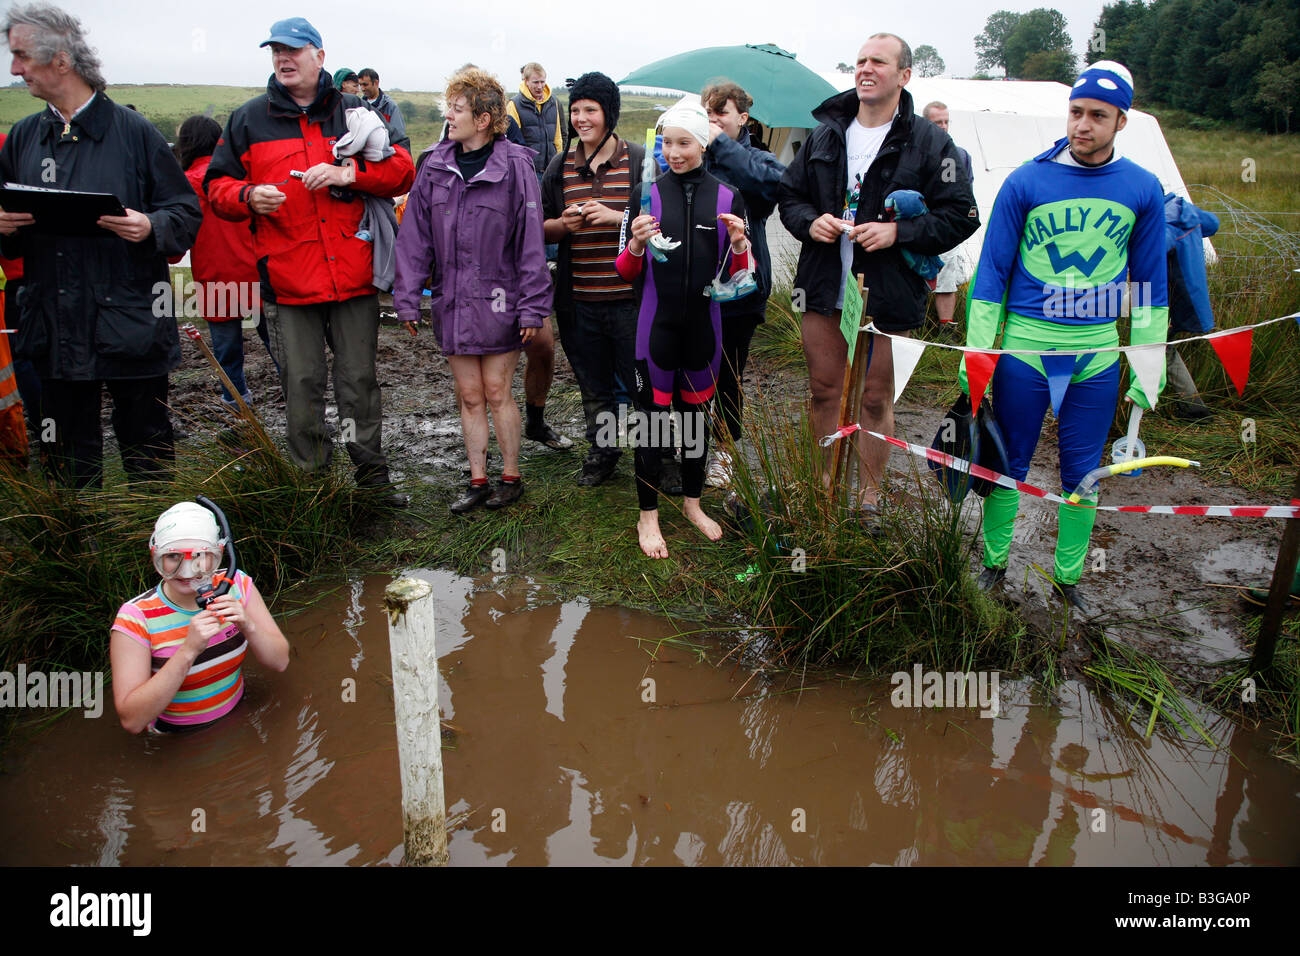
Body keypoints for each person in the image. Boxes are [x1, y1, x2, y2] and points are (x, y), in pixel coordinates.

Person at [963, 61, 1168, 616]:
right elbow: (991, 275)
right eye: (1076, 112)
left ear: (1121, 121)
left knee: (1085, 471)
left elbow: (1149, 286)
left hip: (1097, 354)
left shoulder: (1143, 189)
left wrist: (1150, 366)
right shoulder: (1026, 180)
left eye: (1098, 116)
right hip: (1025, 347)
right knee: (1009, 463)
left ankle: (1068, 580)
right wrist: (978, 353)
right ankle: (993, 566)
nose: (1083, 125)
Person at [206, 18, 414, 507]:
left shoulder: (354, 111)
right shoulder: (247, 119)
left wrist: (350, 171)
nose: (283, 58)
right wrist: (246, 194)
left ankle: (372, 481)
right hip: (287, 280)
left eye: (293, 50)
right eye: (276, 51)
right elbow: (215, 187)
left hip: (353, 276)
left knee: (358, 381)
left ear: (319, 56)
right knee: (301, 384)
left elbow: (402, 169)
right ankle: (312, 488)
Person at [0, 3, 201, 488]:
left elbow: (185, 212)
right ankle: (75, 555)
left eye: (22, 56)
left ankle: (157, 549)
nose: (14, 69)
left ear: (61, 60)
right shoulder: (24, 138)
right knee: (65, 456)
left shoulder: (135, 135)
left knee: (148, 448)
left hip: (130, 324)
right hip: (52, 324)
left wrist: (150, 226)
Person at [778, 34, 978, 520]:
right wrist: (811, 222)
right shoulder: (825, 133)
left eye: (879, 62)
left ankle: (868, 499)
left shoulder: (931, 142)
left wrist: (899, 232)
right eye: (861, 61)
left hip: (889, 292)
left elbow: (962, 215)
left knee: (873, 398)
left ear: (904, 75)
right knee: (824, 390)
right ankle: (822, 488)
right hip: (824, 283)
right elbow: (790, 198)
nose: (866, 69)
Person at [393, 66, 550, 513]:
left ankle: (511, 476)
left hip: (502, 300)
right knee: (470, 394)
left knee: (497, 389)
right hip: (454, 301)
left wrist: (532, 308)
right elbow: (414, 238)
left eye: (458, 109)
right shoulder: (434, 165)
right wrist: (406, 299)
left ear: (483, 118)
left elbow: (530, 240)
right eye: (450, 107)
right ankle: (478, 480)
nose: (449, 115)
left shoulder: (517, 164)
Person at [616, 101, 752, 558]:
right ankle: (647, 515)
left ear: (703, 143)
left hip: (704, 331)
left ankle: (693, 504)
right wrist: (635, 242)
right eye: (666, 143)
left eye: (683, 143)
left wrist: (738, 246)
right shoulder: (646, 195)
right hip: (656, 329)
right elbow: (625, 271)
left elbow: (740, 280)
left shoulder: (729, 197)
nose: (673, 152)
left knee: (697, 422)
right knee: (652, 426)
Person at [541, 71, 645, 486]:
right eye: (577, 110)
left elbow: (663, 220)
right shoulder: (559, 165)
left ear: (609, 114)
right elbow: (538, 225)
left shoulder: (637, 160)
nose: (581, 118)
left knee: (642, 384)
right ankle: (603, 453)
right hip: (579, 299)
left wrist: (619, 217)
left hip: (631, 300)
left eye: (591, 110)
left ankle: (656, 458)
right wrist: (562, 227)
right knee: (594, 385)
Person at [110, 502, 289, 734]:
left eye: (200, 556)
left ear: (218, 555)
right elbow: (132, 720)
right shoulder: (135, 617)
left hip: (241, 721)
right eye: (173, 556)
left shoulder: (238, 586)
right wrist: (188, 651)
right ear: (155, 555)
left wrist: (248, 625)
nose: (187, 571)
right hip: (178, 741)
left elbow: (280, 662)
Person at [700, 81, 787, 487]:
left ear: (743, 118)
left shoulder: (758, 159)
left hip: (743, 286)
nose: (712, 119)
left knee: (728, 372)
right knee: (693, 365)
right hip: (695, 284)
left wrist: (720, 145)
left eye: (721, 112)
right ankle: (691, 445)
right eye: (707, 112)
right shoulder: (691, 154)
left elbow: (771, 190)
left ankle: (725, 448)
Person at [173, 115, 278, 406]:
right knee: (278, 346)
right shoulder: (240, 178)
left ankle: (237, 407)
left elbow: (176, 245)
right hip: (255, 273)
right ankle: (302, 406)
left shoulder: (184, 185)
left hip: (215, 277)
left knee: (227, 353)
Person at [1163, 191, 1218, 421]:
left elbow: (1156, 249)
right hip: (1191, 294)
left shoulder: (1160, 222)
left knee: (1159, 347)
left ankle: (1193, 407)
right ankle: (1192, 405)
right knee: (1164, 348)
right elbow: (1212, 224)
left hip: (1165, 296)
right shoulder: (1184, 210)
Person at [921, 100, 975, 327]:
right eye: (937, 122)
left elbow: (966, 193)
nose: (943, 126)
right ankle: (914, 328)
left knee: (947, 279)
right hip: (918, 226)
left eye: (946, 122)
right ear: (926, 124)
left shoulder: (961, 155)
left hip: (946, 227)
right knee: (915, 279)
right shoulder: (915, 152)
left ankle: (946, 329)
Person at [506, 62, 563, 179]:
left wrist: (559, 162)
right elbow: (512, 143)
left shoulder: (553, 103)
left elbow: (558, 137)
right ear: (526, 81)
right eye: (535, 82)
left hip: (552, 168)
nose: (539, 86)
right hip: (529, 171)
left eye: (542, 82)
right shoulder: (514, 105)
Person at [357, 67, 410, 155]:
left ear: (376, 83)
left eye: (365, 84)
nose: (362, 88)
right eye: (360, 85)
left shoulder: (390, 106)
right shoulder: (359, 106)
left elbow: (399, 135)